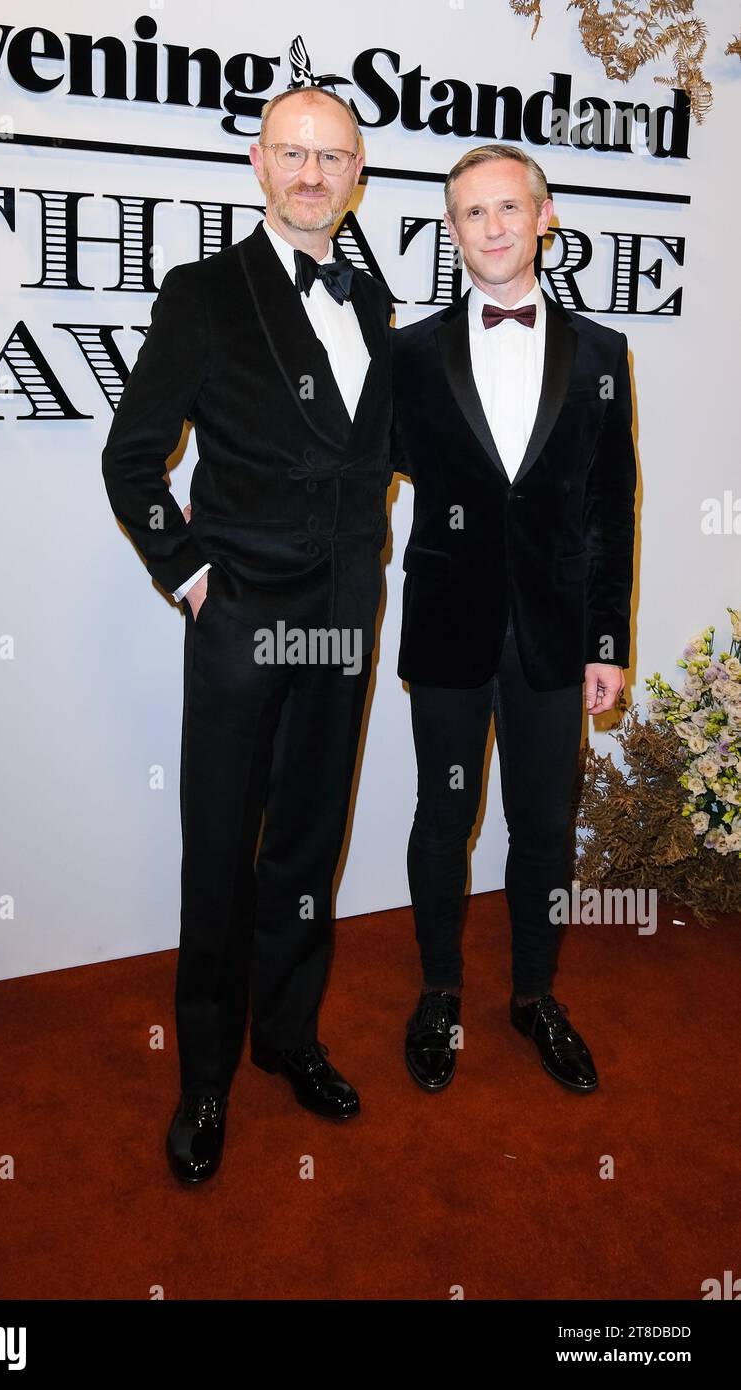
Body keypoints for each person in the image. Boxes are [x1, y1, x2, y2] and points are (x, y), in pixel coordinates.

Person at [101, 86, 393, 1183]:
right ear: (260, 167)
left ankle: (288, 1034)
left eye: (332, 156)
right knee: (222, 850)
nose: (312, 173)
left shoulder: (371, 305)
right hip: (243, 621)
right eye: (292, 153)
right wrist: (187, 575)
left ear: (355, 174)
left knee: (309, 841)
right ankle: (207, 1077)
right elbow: (133, 458)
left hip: (341, 619)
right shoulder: (204, 292)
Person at [391, 143, 636, 1096]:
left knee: (543, 824)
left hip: (553, 638)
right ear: (451, 231)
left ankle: (533, 996)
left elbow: (612, 507)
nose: (489, 229)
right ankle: (439, 993)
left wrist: (606, 641)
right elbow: (351, 471)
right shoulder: (411, 354)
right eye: (468, 215)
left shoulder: (604, 355)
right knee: (441, 816)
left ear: (544, 216)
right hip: (449, 632)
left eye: (505, 209)